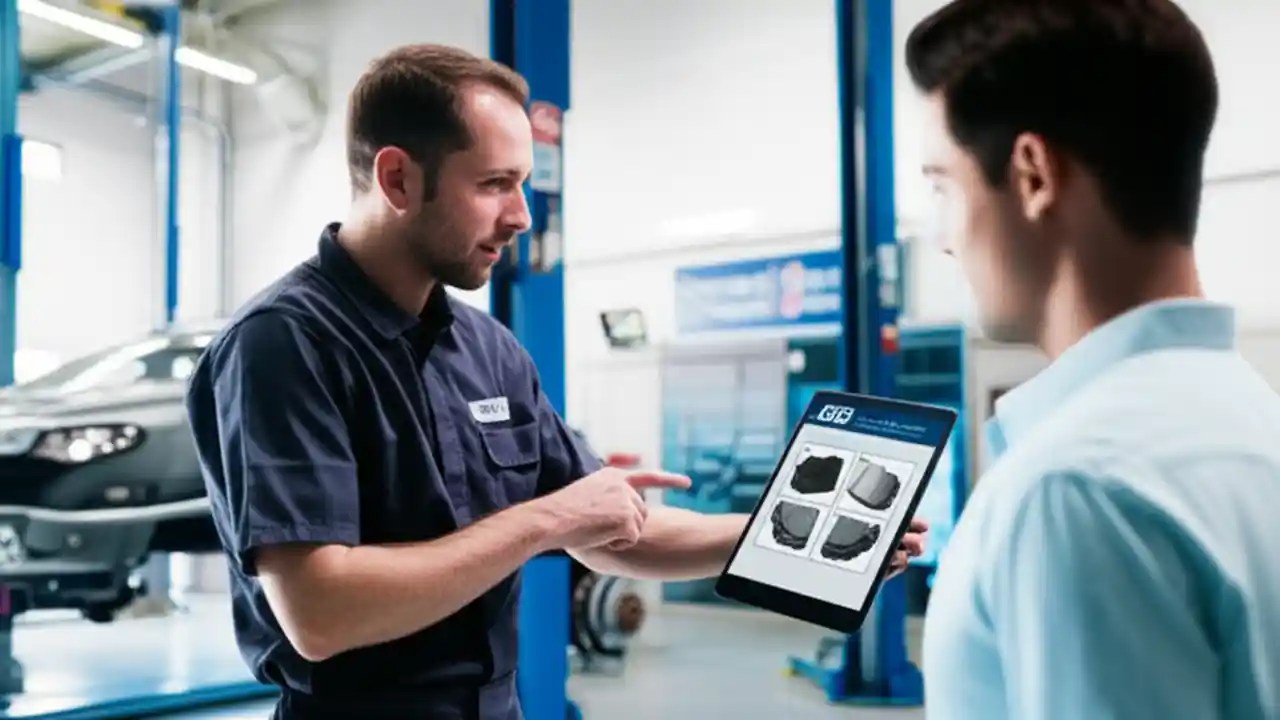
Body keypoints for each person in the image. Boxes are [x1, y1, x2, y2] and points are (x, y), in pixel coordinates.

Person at [185, 44, 924, 720]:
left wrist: (801, 538)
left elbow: (611, 535)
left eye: (526, 184)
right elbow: (319, 613)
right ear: (398, 178)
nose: (521, 215)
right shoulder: (284, 345)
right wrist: (550, 520)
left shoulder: (488, 350)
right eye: (495, 184)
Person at [905, 2, 1280, 719]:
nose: (941, 236)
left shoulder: (1075, 485)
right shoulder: (1251, 418)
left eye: (942, 186)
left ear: (1033, 175)